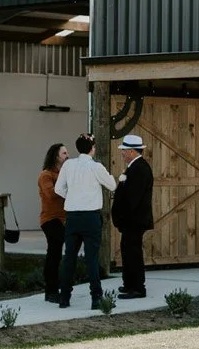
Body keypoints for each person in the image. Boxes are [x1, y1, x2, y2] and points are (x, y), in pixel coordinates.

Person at [54, 133, 116, 310]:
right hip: (90, 216)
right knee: (92, 258)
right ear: (92, 148)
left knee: (69, 258)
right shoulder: (96, 167)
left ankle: (64, 297)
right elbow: (112, 185)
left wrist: (72, 197)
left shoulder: (68, 165)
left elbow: (59, 189)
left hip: (72, 216)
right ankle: (96, 298)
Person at [111, 134, 154, 299]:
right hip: (131, 221)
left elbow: (132, 198)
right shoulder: (133, 167)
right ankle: (129, 283)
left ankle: (137, 287)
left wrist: (122, 216)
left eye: (124, 151)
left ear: (131, 151)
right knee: (127, 250)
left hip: (134, 220)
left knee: (133, 252)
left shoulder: (140, 169)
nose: (122, 154)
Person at [38, 143, 69, 303]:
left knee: (59, 253)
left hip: (64, 219)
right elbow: (51, 194)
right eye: (64, 153)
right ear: (56, 156)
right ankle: (51, 290)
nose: (67, 156)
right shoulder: (46, 175)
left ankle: (60, 286)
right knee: (54, 252)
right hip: (50, 219)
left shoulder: (64, 173)